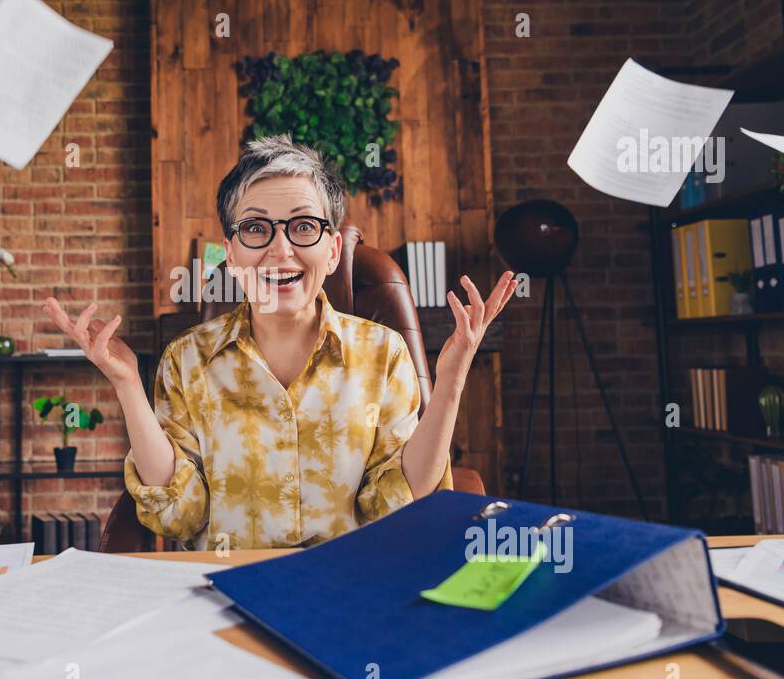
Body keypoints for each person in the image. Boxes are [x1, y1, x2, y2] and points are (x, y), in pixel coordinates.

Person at [43, 134, 513, 550]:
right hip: (226, 589)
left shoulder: (384, 353)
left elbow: (398, 509)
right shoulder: (187, 359)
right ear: (231, 254)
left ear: (332, 252)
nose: (280, 249)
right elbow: (178, 513)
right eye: (255, 228)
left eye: (303, 226)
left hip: (351, 583)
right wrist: (127, 385)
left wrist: (451, 378)